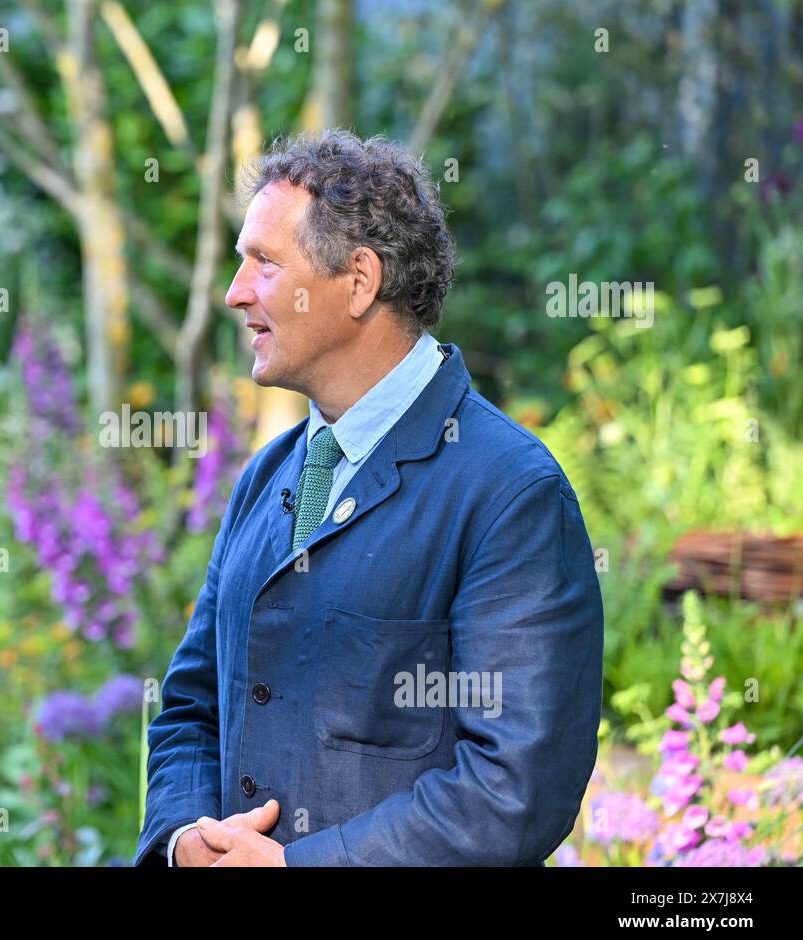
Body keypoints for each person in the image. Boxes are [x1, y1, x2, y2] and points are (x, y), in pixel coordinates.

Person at [135, 129, 604, 867]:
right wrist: (184, 837)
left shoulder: (511, 493)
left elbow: (516, 790)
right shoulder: (267, 477)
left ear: (358, 281)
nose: (234, 293)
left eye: (263, 263)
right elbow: (191, 707)